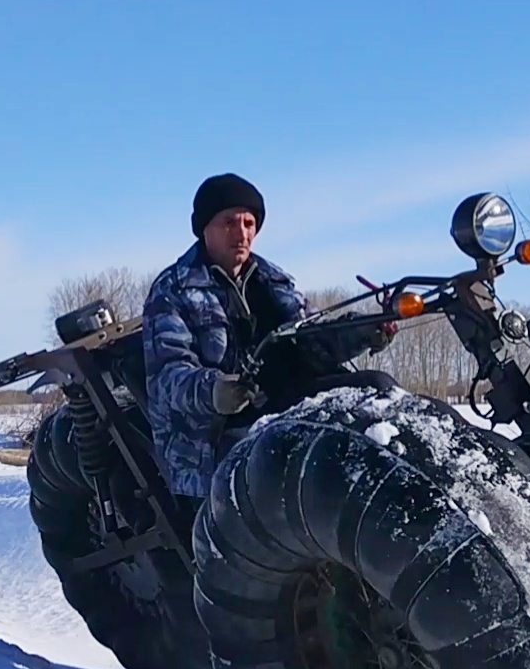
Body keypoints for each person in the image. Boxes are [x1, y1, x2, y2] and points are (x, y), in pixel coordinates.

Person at [143, 173, 392, 500]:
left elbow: (310, 343)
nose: (242, 233)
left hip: (287, 409)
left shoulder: (275, 283)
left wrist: (361, 331)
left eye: (249, 223)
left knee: (376, 387)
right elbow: (166, 378)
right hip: (216, 438)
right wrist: (215, 391)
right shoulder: (172, 291)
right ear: (205, 228)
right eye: (229, 223)